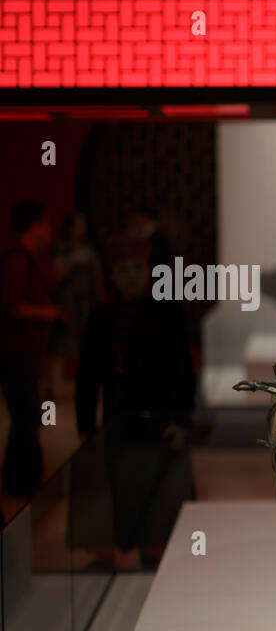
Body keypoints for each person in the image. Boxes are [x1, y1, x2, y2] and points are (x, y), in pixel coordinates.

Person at [76, 235, 196, 566]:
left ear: (148, 270)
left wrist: (182, 421)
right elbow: (88, 375)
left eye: (137, 268)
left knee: (164, 509)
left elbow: (183, 372)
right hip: (121, 424)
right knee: (126, 500)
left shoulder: (168, 312)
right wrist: (85, 424)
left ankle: (158, 564)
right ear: (112, 275)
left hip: (163, 424)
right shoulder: (101, 317)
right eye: (123, 269)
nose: (131, 275)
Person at [1, 200, 62, 499]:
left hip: (23, 352)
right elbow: (10, 305)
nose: (49, 229)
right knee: (25, 418)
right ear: (34, 225)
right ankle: (22, 483)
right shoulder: (17, 260)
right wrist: (45, 313)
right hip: (16, 352)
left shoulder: (25, 259)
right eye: (45, 222)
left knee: (26, 417)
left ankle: (22, 481)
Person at [51, 210, 104, 378]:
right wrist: (73, 259)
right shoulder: (61, 246)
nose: (82, 228)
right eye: (78, 224)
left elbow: (97, 272)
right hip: (67, 299)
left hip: (87, 298)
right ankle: (54, 386)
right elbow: (57, 273)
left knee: (89, 341)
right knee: (62, 342)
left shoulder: (89, 246)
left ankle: (88, 382)